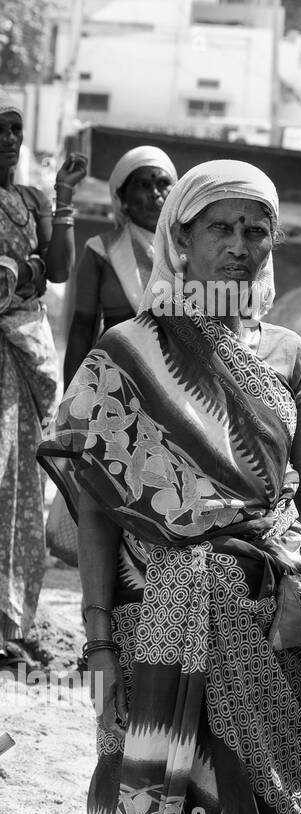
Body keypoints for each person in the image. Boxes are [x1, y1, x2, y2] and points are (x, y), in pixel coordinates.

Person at [38, 160, 301, 814]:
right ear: (181, 237)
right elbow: (96, 512)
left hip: (269, 615)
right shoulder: (126, 355)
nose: (239, 246)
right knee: (155, 813)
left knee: (277, 809)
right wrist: (98, 645)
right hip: (150, 620)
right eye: (220, 229)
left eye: (256, 231)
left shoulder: (289, 354)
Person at [1, 101, 84, 667]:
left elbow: (55, 270)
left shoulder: (29, 200)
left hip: (27, 352)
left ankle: (15, 619)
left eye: (15, 129)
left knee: (23, 482)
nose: (9, 138)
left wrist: (64, 198)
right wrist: (22, 272)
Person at [63, 146, 177, 385]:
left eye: (163, 183)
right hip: (118, 382)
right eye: (143, 185)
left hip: (179, 384)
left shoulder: (190, 251)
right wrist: (71, 402)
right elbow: (82, 331)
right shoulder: (101, 252)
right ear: (122, 198)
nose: (156, 193)